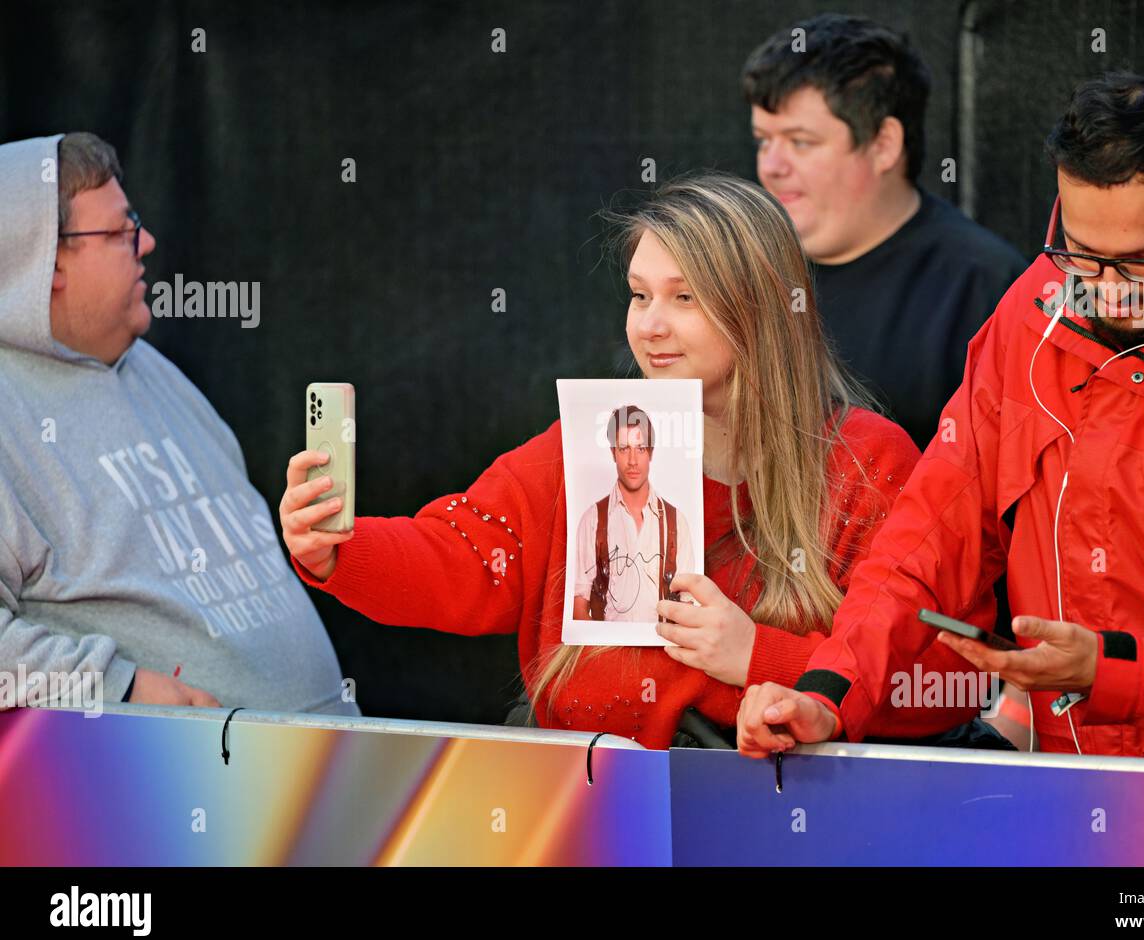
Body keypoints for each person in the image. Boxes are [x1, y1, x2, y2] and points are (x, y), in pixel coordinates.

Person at [280, 172, 978, 749]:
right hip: (594, 812)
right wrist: (337, 548)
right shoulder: (593, 439)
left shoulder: (865, 460)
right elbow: (466, 558)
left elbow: (947, 682)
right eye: (640, 295)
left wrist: (759, 658)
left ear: (761, 310)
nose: (649, 325)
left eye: (684, 299)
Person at [737, 73, 1144, 763]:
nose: (1111, 293)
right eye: (1083, 254)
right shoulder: (1032, 310)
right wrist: (828, 690)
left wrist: (1110, 668)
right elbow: (929, 537)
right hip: (1064, 780)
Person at [0, 132, 358, 715]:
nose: (146, 241)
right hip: (178, 789)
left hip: (318, 771)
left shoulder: (154, 371)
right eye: (119, 230)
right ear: (49, 258)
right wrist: (113, 686)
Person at [743, 13, 1025, 448]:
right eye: (764, 140)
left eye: (801, 142)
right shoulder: (738, 268)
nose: (771, 166)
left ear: (883, 144)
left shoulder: (986, 289)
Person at [572, 405, 696, 624]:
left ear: (651, 453)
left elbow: (687, 609)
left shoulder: (676, 522)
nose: (632, 460)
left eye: (640, 449)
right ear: (613, 453)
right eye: (623, 448)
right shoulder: (592, 520)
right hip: (608, 654)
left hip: (662, 653)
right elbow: (578, 611)